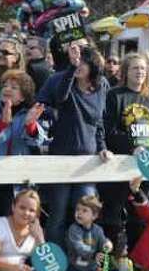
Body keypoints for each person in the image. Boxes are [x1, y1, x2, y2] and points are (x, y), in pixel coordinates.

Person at [101, 53, 149, 270]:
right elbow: (108, 130)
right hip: (120, 164)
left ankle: (138, 259)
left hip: (147, 165)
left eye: (143, 68)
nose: (139, 72)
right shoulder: (115, 96)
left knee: (139, 212)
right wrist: (132, 147)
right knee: (114, 211)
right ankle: (115, 258)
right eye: (134, 68)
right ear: (125, 72)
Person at [36, 44, 108, 251]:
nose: (79, 65)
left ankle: (82, 262)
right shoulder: (63, 80)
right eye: (76, 60)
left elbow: (99, 122)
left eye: (83, 61)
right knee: (57, 214)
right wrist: (71, 67)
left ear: (92, 64)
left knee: (86, 214)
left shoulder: (101, 86)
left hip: (88, 161)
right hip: (62, 158)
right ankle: (55, 262)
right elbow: (60, 98)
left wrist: (102, 147)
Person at [0, 69, 48, 243]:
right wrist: (1, 124)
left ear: (23, 95)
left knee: (12, 234)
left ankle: (11, 268)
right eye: (5, 85)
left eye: (14, 87)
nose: (7, 89)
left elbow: (39, 142)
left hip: (16, 187)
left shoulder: (31, 111)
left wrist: (31, 126)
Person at [60, 194, 112, 271]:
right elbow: (79, 247)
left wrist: (108, 244)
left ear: (94, 216)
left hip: (91, 269)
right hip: (74, 267)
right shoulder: (73, 229)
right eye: (78, 209)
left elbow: (103, 242)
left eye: (84, 211)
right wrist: (94, 255)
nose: (79, 213)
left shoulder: (98, 230)